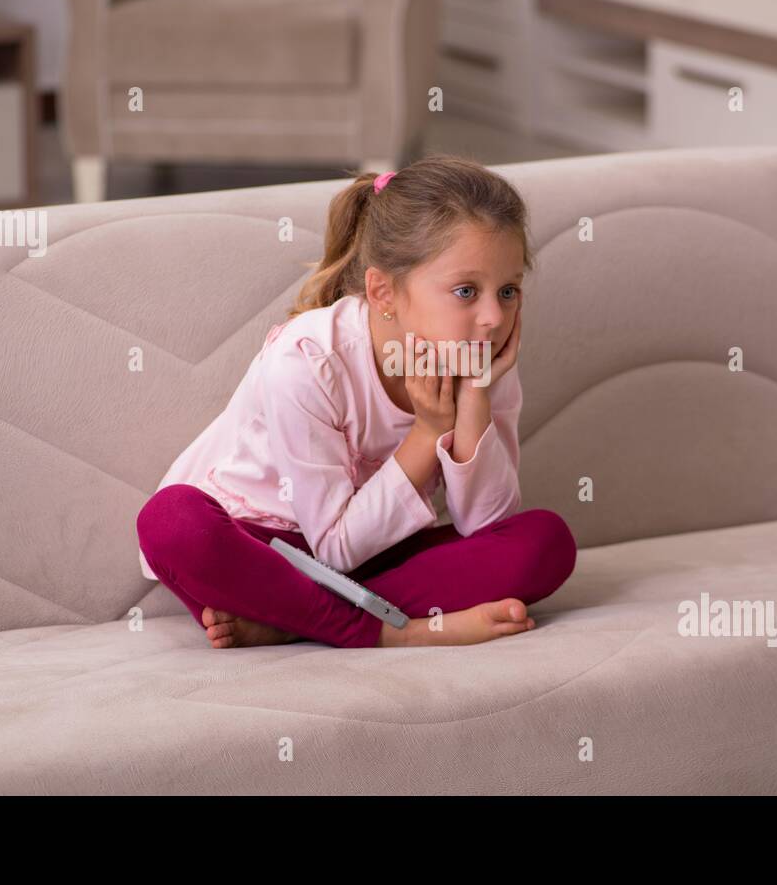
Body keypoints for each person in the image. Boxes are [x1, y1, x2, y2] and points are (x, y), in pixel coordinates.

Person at [136, 153, 577, 648]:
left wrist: (474, 395)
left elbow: (487, 525)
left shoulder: (479, 358)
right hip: (264, 546)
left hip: (378, 549)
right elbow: (335, 548)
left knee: (545, 542)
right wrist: (428, 433)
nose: (494, 317)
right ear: (384, 292)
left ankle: (292, 621)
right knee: (170, 522)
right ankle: (393, 632)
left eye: (509, 290)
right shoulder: (307, 359)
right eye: (466, 290)